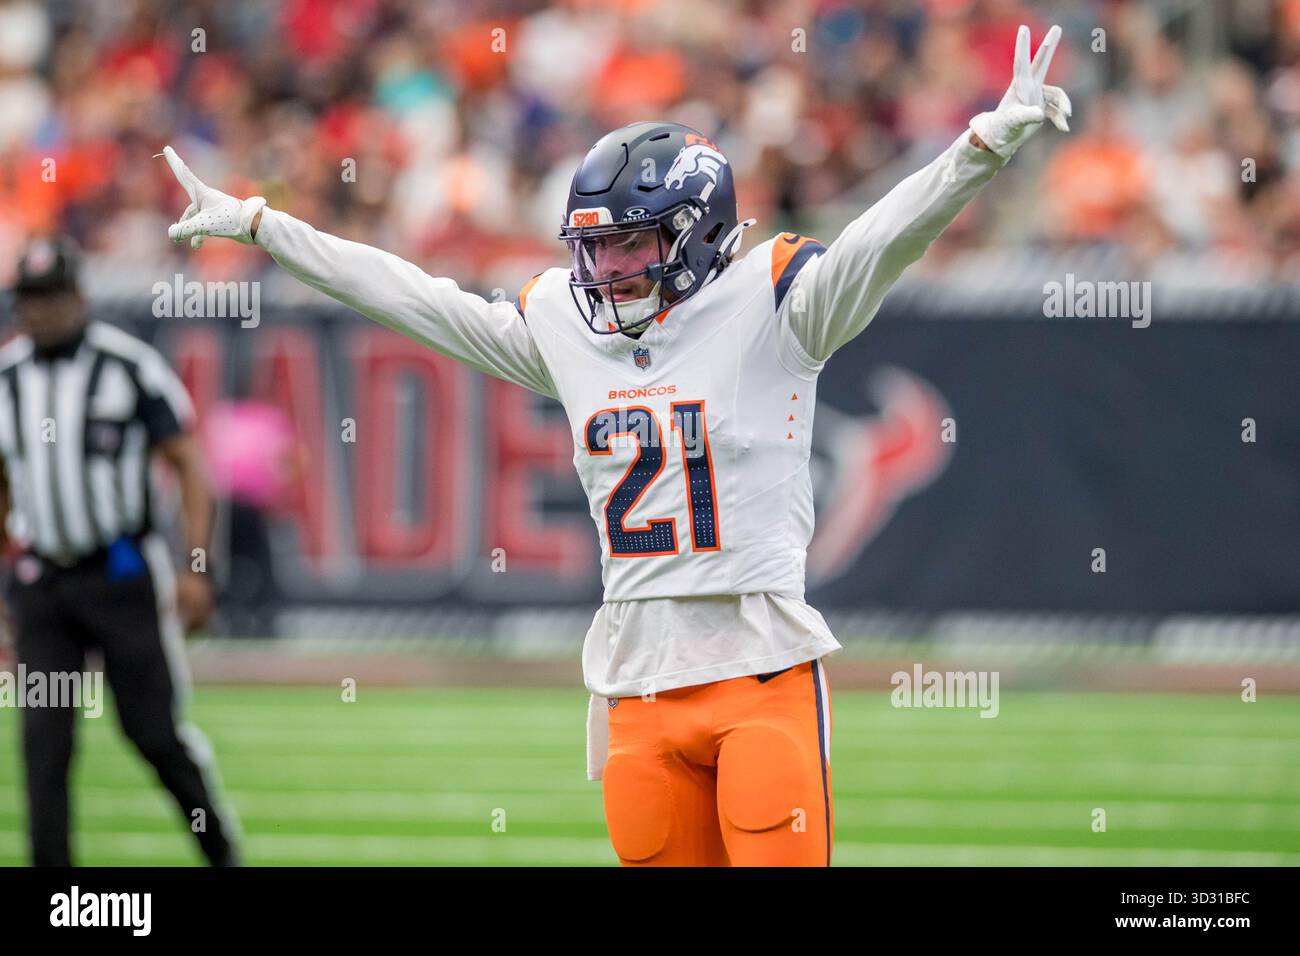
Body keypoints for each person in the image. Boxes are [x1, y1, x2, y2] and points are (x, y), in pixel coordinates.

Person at [160, 26, 1069, 866]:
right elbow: (416, 299)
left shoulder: (777, 302)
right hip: (634, 685)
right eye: (594, 249)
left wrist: (981, 148)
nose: (605, 270)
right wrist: (264, 226)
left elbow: (883, 240)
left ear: (697, 230)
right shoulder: (567, 322)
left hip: (760, 671)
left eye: (630, 244)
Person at [0, 235, 240, 866]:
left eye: (52, 297)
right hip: (45, 583)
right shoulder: (7, 379)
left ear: (78, 297)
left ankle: (221, 852)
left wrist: (196, 566)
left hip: (121, 575)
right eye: (31, 299)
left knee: (154, 735)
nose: (42, 311)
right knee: (43, 746)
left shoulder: (128, 367)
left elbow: (190, 465)